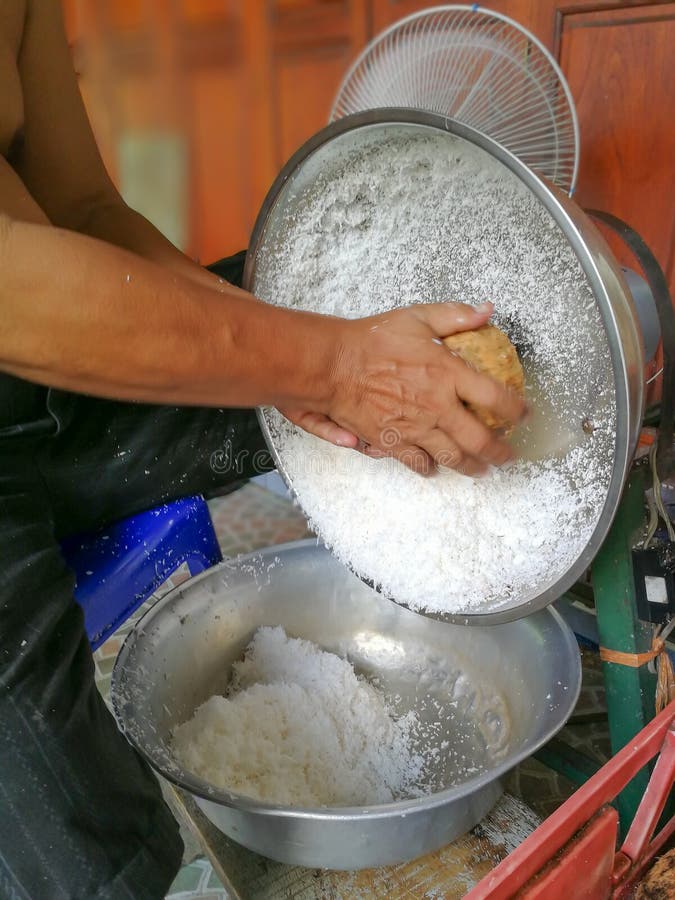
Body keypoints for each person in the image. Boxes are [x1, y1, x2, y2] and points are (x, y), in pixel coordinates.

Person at [0, 2, 527, 897]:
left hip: (45, 376)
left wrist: (313, 352)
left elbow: (82, 207)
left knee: (383, 313)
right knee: (94, 861)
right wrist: (329, 366)